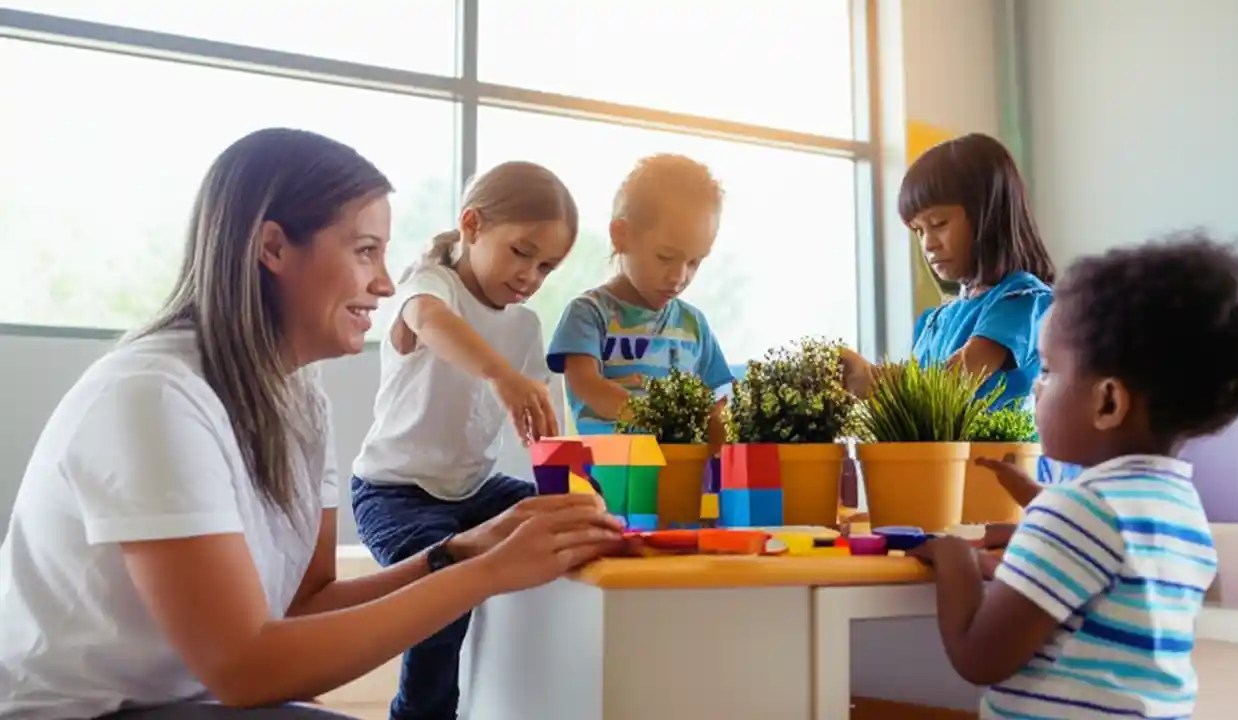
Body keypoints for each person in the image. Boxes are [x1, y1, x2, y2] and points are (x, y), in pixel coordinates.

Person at [0, 129, 622, 720]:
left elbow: (304, 609)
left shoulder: (299, 399)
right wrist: (485, 574)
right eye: (364, 251)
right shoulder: (154, 395)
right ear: (272, 247)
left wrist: (459, 551)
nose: (383, 283)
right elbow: (245, 669)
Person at [909, 233, 1238, 718]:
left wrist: (953, 554)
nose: (1037, 389)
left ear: (1108, 402)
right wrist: (1041, 513)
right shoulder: (1179, 507)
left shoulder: (1079, 513)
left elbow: (979, 656)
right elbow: (1109, 580)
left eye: (1047, 371)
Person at [350, 161, 578, 720]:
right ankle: (421, 715)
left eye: (546, 266)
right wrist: (501, 375)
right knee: (443, 590)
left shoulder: (525, 327)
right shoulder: (431, 283)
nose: (530, 276)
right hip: (394, 492)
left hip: (472, 492)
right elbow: (429, 323)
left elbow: (541, 423)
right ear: (472, 225)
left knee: (567, 515)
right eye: (521, 252)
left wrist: (561, 469)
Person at [842, 133, 1056, 411]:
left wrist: (872, 383)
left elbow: (952, 382)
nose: (928, 243)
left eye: (939, 223)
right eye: (918, 230)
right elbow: (916, 383)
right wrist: (861, 373)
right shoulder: (938, 319)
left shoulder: (1021, 302)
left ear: (987, 216)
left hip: (1001, 456)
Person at [547, 154, 734, 443]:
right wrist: (657, 417)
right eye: (666, 257)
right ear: (621, 235)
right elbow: (587, 385)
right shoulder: (589, 314)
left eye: (695, 262)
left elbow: (721, 394)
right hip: (610, 474)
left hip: (683, 470)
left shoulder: (693, 324)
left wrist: (718, 420)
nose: (679, 276)